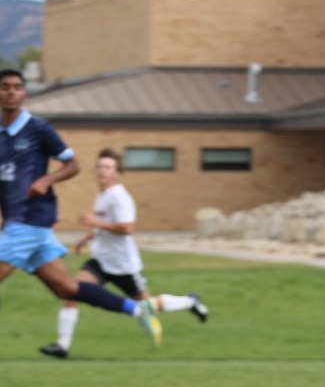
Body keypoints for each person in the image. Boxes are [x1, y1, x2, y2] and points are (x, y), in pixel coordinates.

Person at [0, 69, 160, 346]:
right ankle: (138, 310)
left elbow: (73, 165)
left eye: (17, 87)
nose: (11, 92)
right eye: (5, 87)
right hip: (20, 224)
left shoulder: (38, 129)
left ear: (24, 94)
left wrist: (46, 180)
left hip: (30, 220)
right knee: (68, 288)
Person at [39, 148, 208, 359]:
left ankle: (189, 301)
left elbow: (127, 228)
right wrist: (89, 236)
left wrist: (94, 222)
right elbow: (108, 224)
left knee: (147, 306)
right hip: (101, 261)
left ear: (117, 173)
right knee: (71, 292)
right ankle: (62, 346)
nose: (102, 171)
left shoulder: (120, 196)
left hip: (124, 266)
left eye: (108, 168)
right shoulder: (102, 194)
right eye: (100, 167)